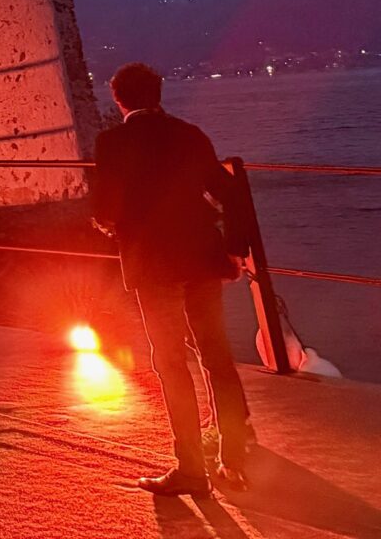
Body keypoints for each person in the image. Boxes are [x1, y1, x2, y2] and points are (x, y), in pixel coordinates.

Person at [92, 62, 254, 496]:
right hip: (202, 257)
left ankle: (190, 470)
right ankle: (233, 462)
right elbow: (231, 191)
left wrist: (112, 227)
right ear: (158, 94)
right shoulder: (190, 134)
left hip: (153, 264)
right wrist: (235, 249)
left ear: (119, 99)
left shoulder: (112, 142)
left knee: (170, 364)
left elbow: (105, 209)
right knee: (216, 358)